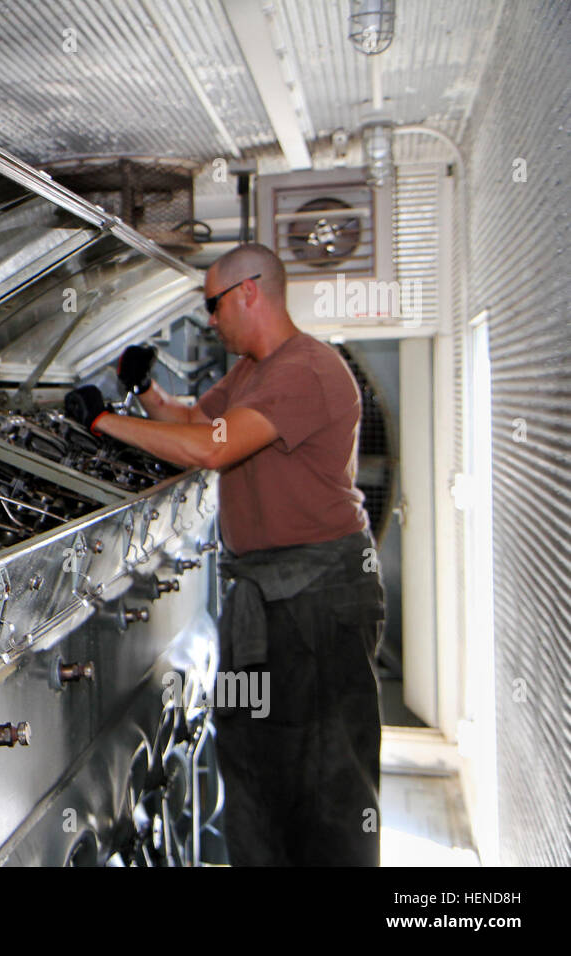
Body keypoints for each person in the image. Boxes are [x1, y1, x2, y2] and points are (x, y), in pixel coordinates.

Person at [65, 243, 385, 866]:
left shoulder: (307, 369)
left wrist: (104, 420)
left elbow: (213, 449)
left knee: (326, 774)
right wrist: (145, 391)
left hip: (318, 601)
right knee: (246, 744)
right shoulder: (250, 372)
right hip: (257, 602)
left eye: (214, 305)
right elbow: (191, 420)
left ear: (249, 292)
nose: (211, 321)